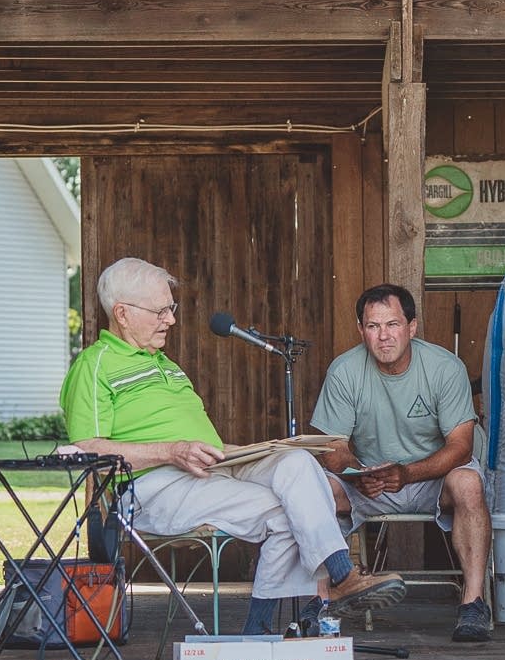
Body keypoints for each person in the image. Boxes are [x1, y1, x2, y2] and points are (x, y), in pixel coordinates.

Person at [58, 258, 405, 635]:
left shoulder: (167, 365)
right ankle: (271, 620)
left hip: (212, 463)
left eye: (170, 309)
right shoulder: (95, 366)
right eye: (161, 311)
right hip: (150, 485)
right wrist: (173, 451)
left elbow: (198, 441)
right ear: (122, 313)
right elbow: (87, 449)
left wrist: (257, 450)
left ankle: (339, 576)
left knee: (296, 461)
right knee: (286, 511)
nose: (171, 320)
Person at [310, 284, 493, 643]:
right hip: (372, 479)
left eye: (392, 325)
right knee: (316, 489)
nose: (384, 336)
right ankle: (319, 603)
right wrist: (358, 473)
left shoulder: (444, 367)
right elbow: (333, 449)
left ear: (412, 327)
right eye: (373, 326)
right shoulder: (344, 371)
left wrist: (407, 473)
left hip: (431, 479)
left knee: (469, 482)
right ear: (360, 329)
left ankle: (473, 603)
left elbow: (460, 447)